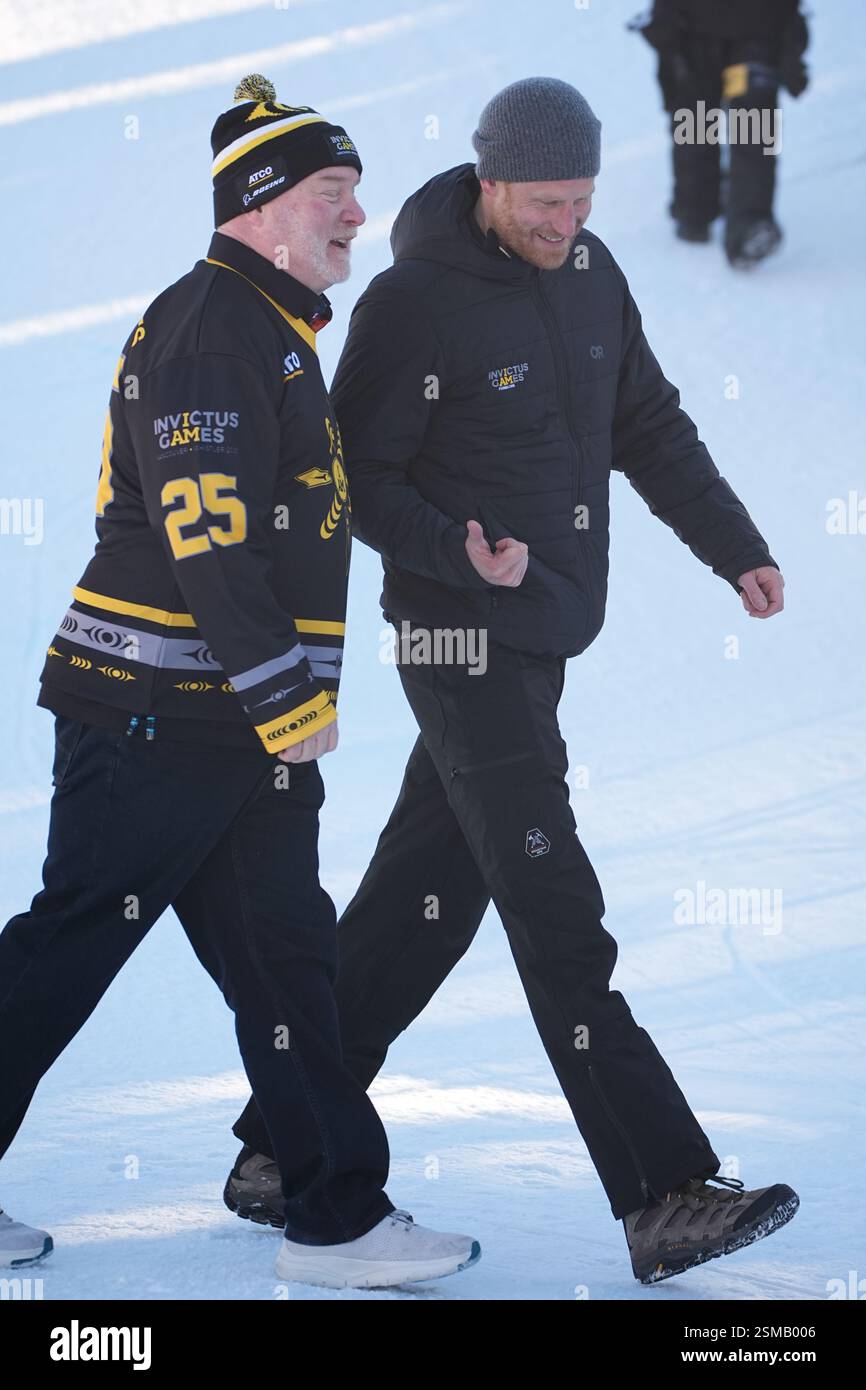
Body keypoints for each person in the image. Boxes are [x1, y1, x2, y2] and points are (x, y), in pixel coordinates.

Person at [225, 76, 799, 1286]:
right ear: (489, 181)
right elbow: (351, 480)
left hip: (542, 636)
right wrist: (454, 551)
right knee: (552, 902)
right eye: (544, 200)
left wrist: (733, 543)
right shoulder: (412, 302)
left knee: (419, 903)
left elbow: (646, 423)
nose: (565, 221)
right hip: (456, 640)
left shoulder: (589, 276)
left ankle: (280, 1139)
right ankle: (660, 1191)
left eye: (583, 197)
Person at [0, 74, 480, 1291]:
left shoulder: (266, 331)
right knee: (68, 946)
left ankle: (334, 1214)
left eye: (358, 196)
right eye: (333, 193)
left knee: (284, 960)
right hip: (157, 711)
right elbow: (203, 530)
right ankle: (335, 1203)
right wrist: (284, 695)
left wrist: (445, 545)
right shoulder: (216, 328)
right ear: (260, 206)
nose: (355, 217)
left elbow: (309, 510)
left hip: (228, 722)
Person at [630, 0, 809, 266]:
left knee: (752, 130)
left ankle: (748, 226)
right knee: (698, 125)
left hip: (755, 30)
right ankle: (695, 211)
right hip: (696, 31)